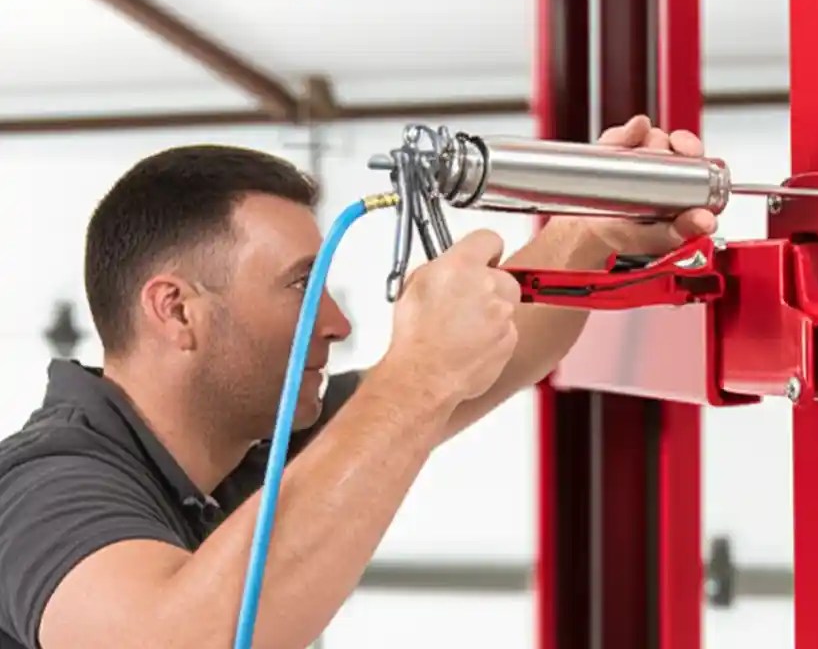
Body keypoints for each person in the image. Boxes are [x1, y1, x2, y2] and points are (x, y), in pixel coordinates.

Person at [0, 114, 716, 649]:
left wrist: (590, 232)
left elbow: (494, 357)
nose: (337, 323)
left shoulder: (257, 449)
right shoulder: (47, 484)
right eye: (302, 286)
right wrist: (416, 375)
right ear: (176, 309)